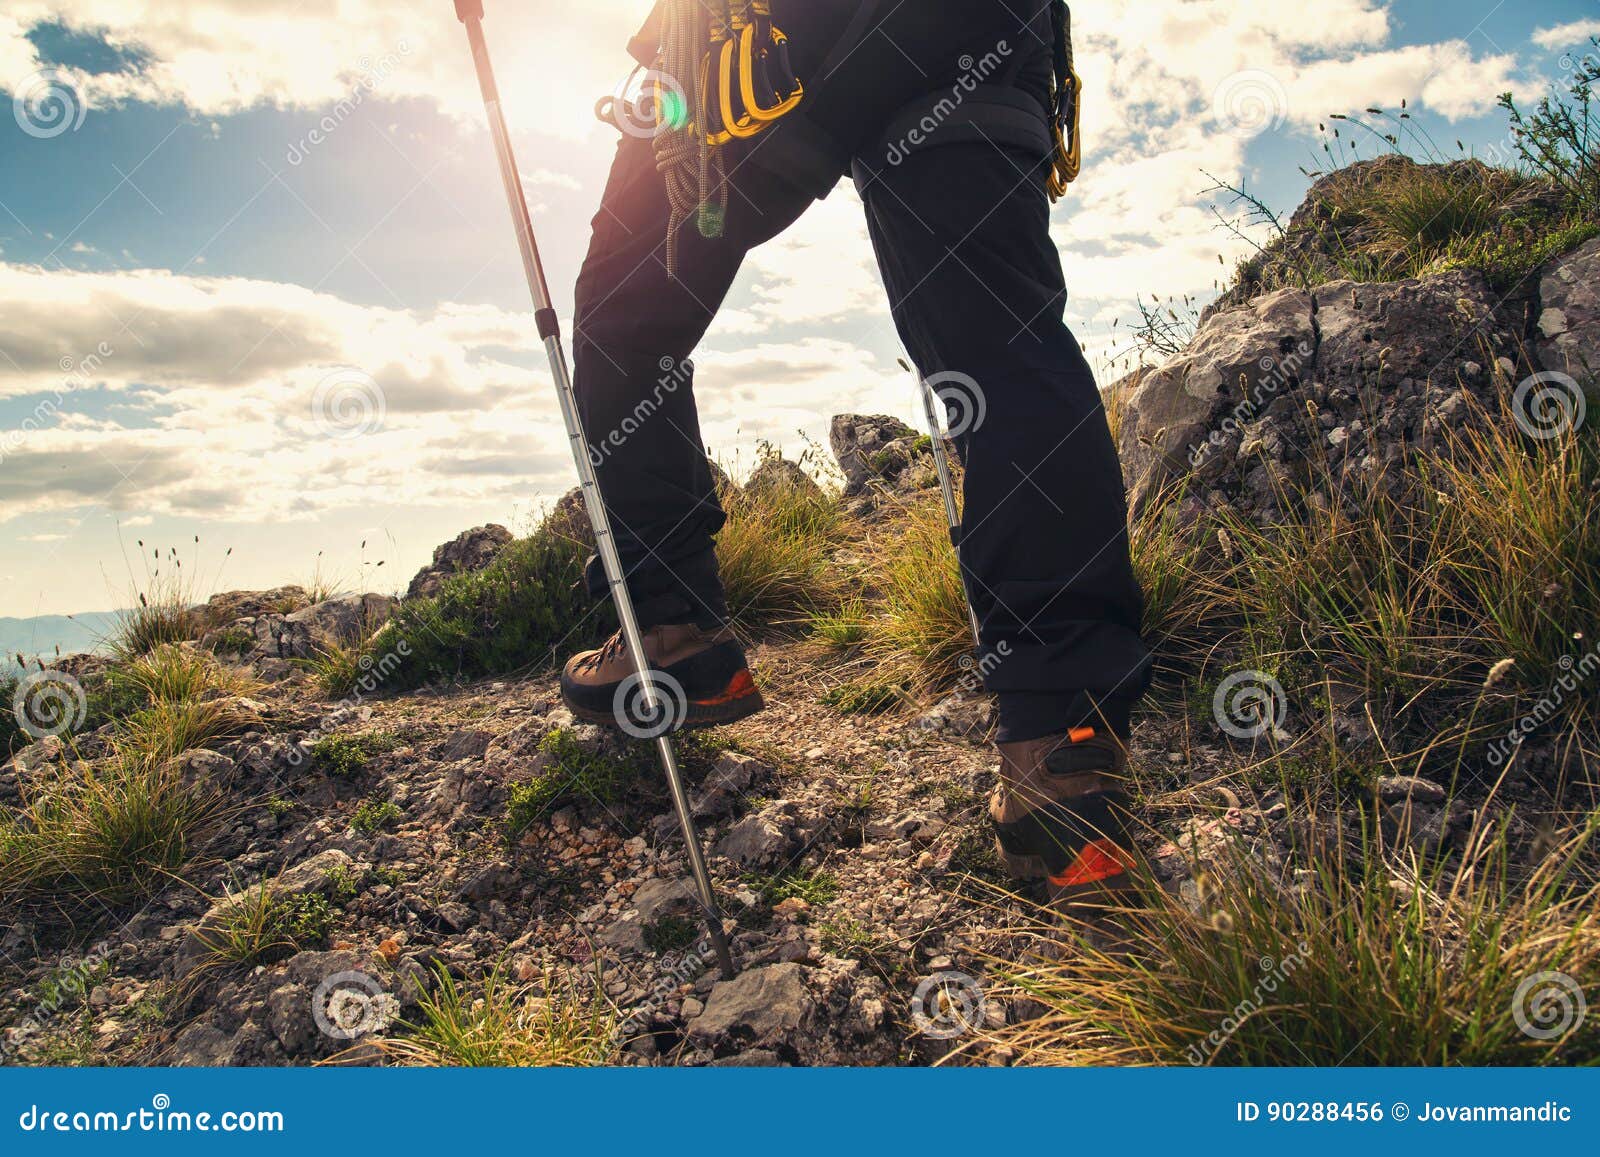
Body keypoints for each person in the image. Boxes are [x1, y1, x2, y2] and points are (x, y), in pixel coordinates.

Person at [559, 0, 1152, 908]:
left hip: (751, 36)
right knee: (999, 339)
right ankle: (1064, 741)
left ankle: (671, 629)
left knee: (625, 312)